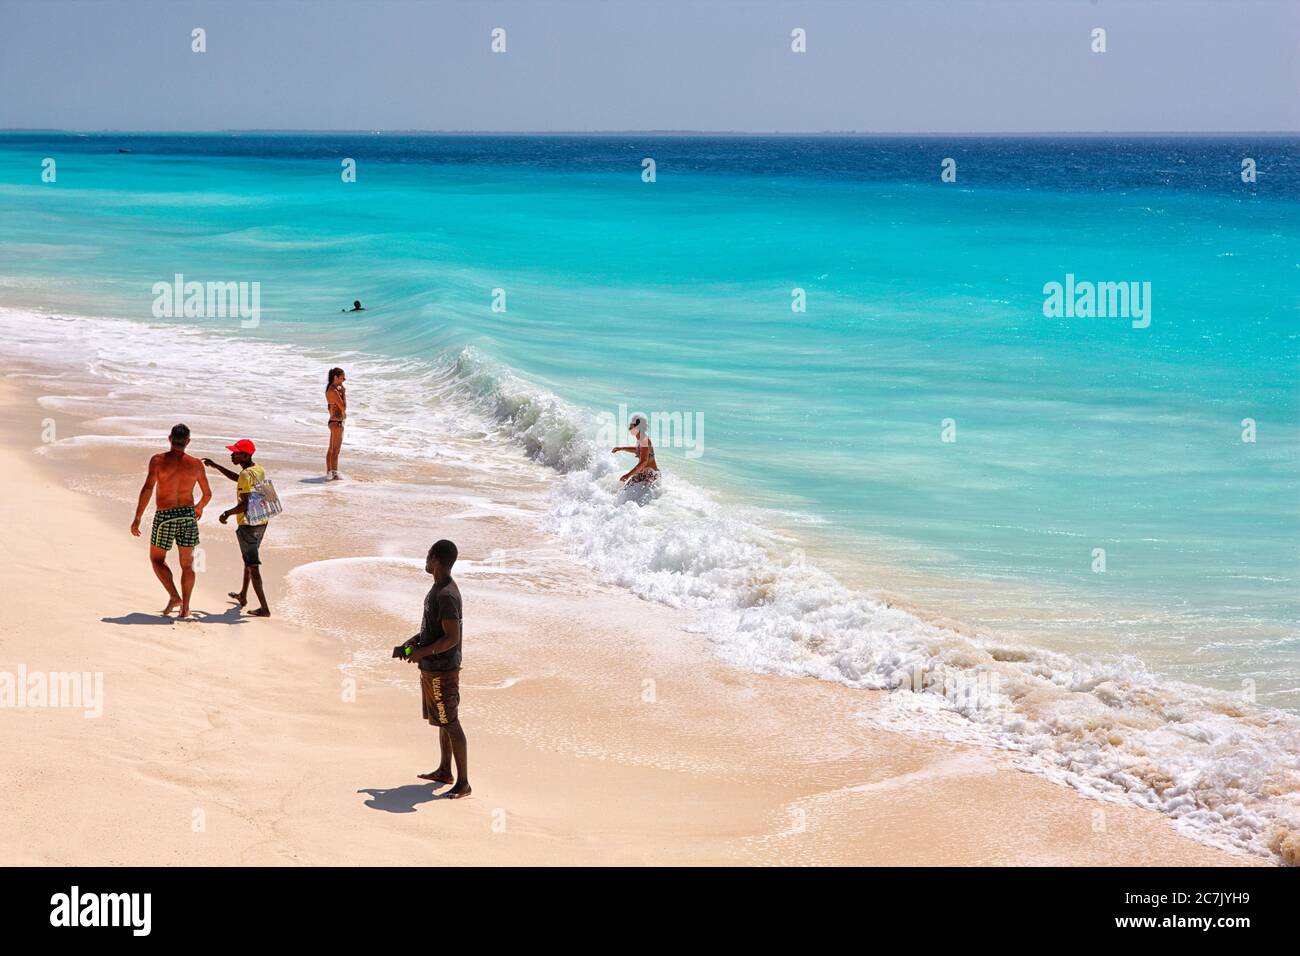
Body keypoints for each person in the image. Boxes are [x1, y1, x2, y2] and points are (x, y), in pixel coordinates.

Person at [400, 539, 469, 799]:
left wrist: (422, 652)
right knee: (443, 720)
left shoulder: (447, 594)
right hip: (432, 667)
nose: (426, 560)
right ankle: (444, 770)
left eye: (428, 555)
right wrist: (414, 642)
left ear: (436, 559)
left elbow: (451, 637)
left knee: (450, 721)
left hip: (443, 670)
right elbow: (434, 629)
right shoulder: (437, 589)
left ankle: (463, 783)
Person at [131, 423, 212, 618]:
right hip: (187, 516)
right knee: (187, 564)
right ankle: (185, 609)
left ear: (169, 438)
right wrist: (199, 507)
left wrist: (137, 518)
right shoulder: (196, 464)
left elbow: (148, 488)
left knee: (157, 559)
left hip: (166, 516)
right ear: (188, 442)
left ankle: (175, 596)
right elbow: (207, 494)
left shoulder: (158, 461)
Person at [202, 439, 272, 617]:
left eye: (236, 452)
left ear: (245, 455)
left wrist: (226, 513)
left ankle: (264, 608)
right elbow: (239, 479)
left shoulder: (246, 475)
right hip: (262, 520)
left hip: (248, 525)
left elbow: (245, 505)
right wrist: (217, 466)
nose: (232, 454)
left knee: (253, 565)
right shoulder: (257, 469)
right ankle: (243, 595)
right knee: (248, 560)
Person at [611, 413, 660, 485]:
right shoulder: (641, 439)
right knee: (624, 491)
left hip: (651, 476)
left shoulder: (644, 439)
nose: (629, 427)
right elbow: (638, 450)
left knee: (626, 491)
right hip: (644, 474)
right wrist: (621, 448)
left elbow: (643, 461)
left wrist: (627, 475)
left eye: (631, 426)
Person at [325, 367, 346, 480]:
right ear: (336, 377)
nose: (343, 380)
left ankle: (329, 472)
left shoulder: (329, 389)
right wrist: (343, 392)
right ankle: (334, 473)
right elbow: (343, 407)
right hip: (337, 422)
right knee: (335, 450)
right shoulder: (334, 390)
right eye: (342, 378)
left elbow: (330, 408)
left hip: (333, 421)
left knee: (331, 449)